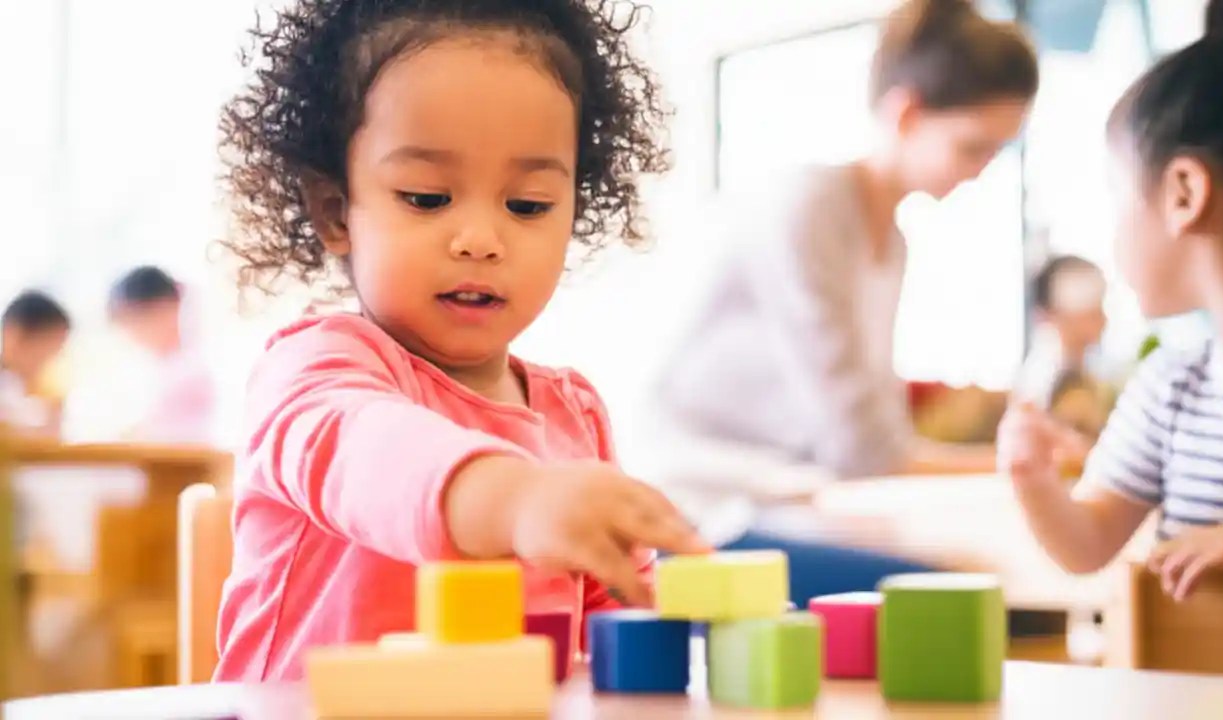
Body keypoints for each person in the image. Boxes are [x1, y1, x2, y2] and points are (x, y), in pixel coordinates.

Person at [210, 0, 707, 682]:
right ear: (335, 211)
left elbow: (613, 635)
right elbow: (365, 452)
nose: (480, 238)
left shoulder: (575, 416)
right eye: (425, 197)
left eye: (527, 205)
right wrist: (514, 499)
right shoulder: (314, 371)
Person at [646, 0, 1039, 606]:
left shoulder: (891, 240)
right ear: (905, 113)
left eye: (997, 151)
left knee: (990, 571)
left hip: (788, 502)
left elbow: (873, 438)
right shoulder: (811, 208)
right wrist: (1026, 468)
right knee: (964, 586)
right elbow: (867, 452)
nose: (982, 171)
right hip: (700, 511)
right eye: (972, 146)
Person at [999, 0, 1223, 603]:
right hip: (1183, 693)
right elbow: (1088, 543)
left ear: (1184, 192)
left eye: (1115, 194)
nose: (1111, 232)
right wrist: (1035, 482)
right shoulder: (1170, 388)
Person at [107, 266, 216, 444]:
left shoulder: (198, 363)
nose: (132, 334)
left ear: (164, 307)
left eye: (132, 321)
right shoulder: (157, 367)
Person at [1016, 255, 1117, 438]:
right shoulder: (1042, 379)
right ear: (1058, 315)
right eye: (1093, 312)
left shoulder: (1086, 370)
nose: (1104, 320)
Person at [0, 290, 71, 438]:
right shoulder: (8, 386)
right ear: (14, 334)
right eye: (46, 351)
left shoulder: (35, 396)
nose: (48, 363)